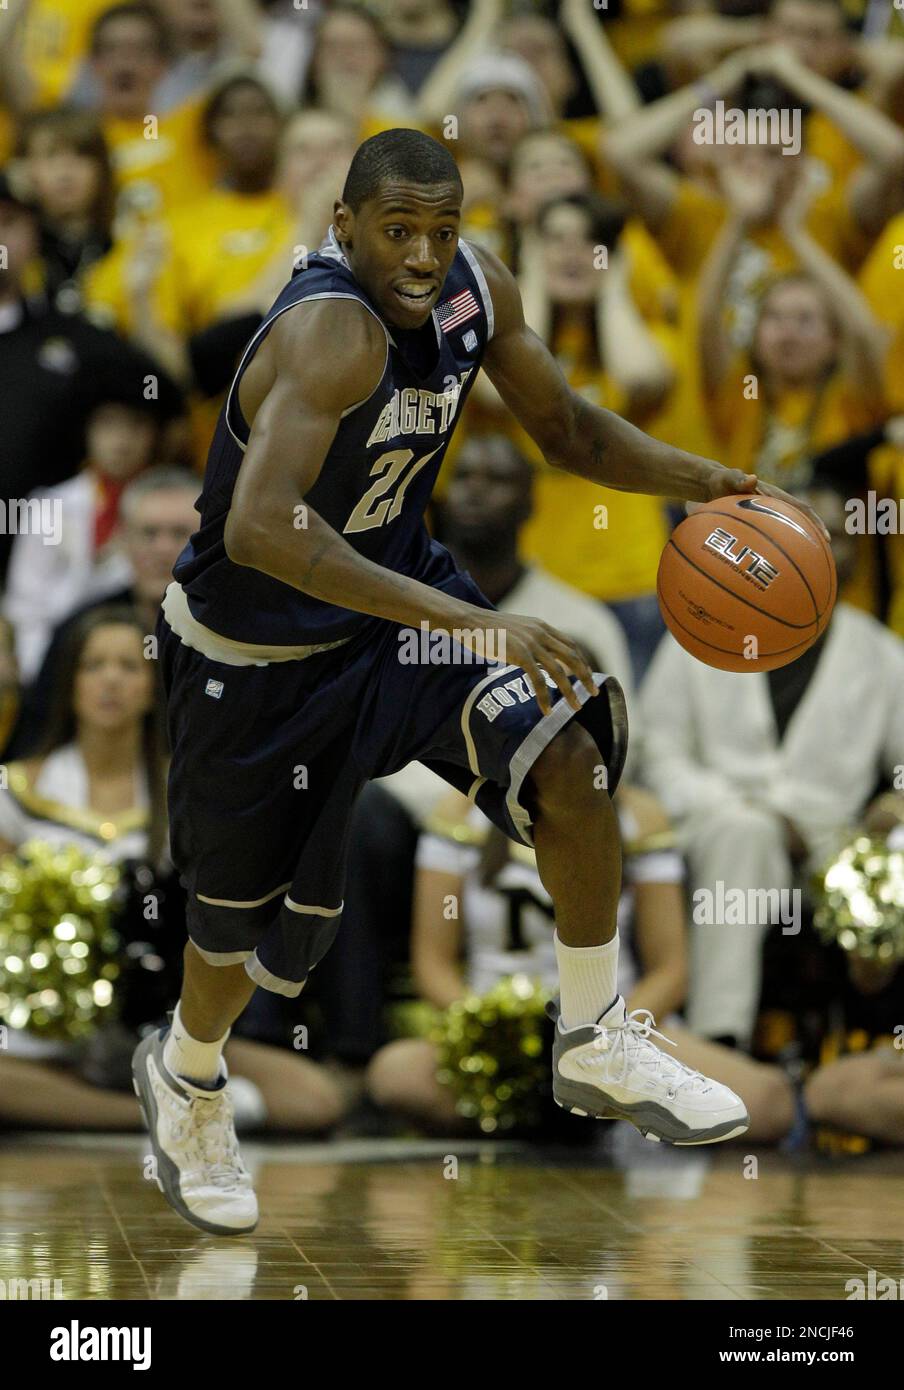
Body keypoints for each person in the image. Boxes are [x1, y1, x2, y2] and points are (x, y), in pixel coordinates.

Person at [133, 127, 825, 1237]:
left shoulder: (474, 294)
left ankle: (594, 1032)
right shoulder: (325, 334)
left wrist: (700, 480)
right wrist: (475, 619)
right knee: (242, 946)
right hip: (252, 663)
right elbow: (264, 527)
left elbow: (563, 425)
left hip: (394, 611)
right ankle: (189, 1073)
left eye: (441, 231)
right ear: (343, 225)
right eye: (396, 230)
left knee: (571, 755)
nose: (421, 256)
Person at [0, 607, 344, 1135]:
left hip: (160, 1020)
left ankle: (153, 1091)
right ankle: (153, 1113)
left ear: (153, 685)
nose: (111, 679)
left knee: (313, 1099)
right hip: (44, 1027)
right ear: (68, 681)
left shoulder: (189, 791)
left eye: (128, 666)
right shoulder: (16, 790)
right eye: (93, 665)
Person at [366, 782, 795, 1143]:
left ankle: (565, 1111)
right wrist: (489, 1032)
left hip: (617, 1031)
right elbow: (432, 965)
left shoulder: (638, 816)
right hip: (496, 1036)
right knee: (395, 1074)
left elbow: (670, 970)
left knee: (767, 1102)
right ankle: (564, 1114)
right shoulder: (460, 814)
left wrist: (609, 1036)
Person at [639, 484, 904, 1047]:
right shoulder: (703, 627)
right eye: (805, 535)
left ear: (854, 557)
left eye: (838, 536)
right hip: (714, 828)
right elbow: (659, 755)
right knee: (746, 834)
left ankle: (872, 1047)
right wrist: (738, 808)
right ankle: (718, 1040)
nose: (824, 548)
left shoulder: (881, 653)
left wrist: (893, 802)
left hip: (832, 848)